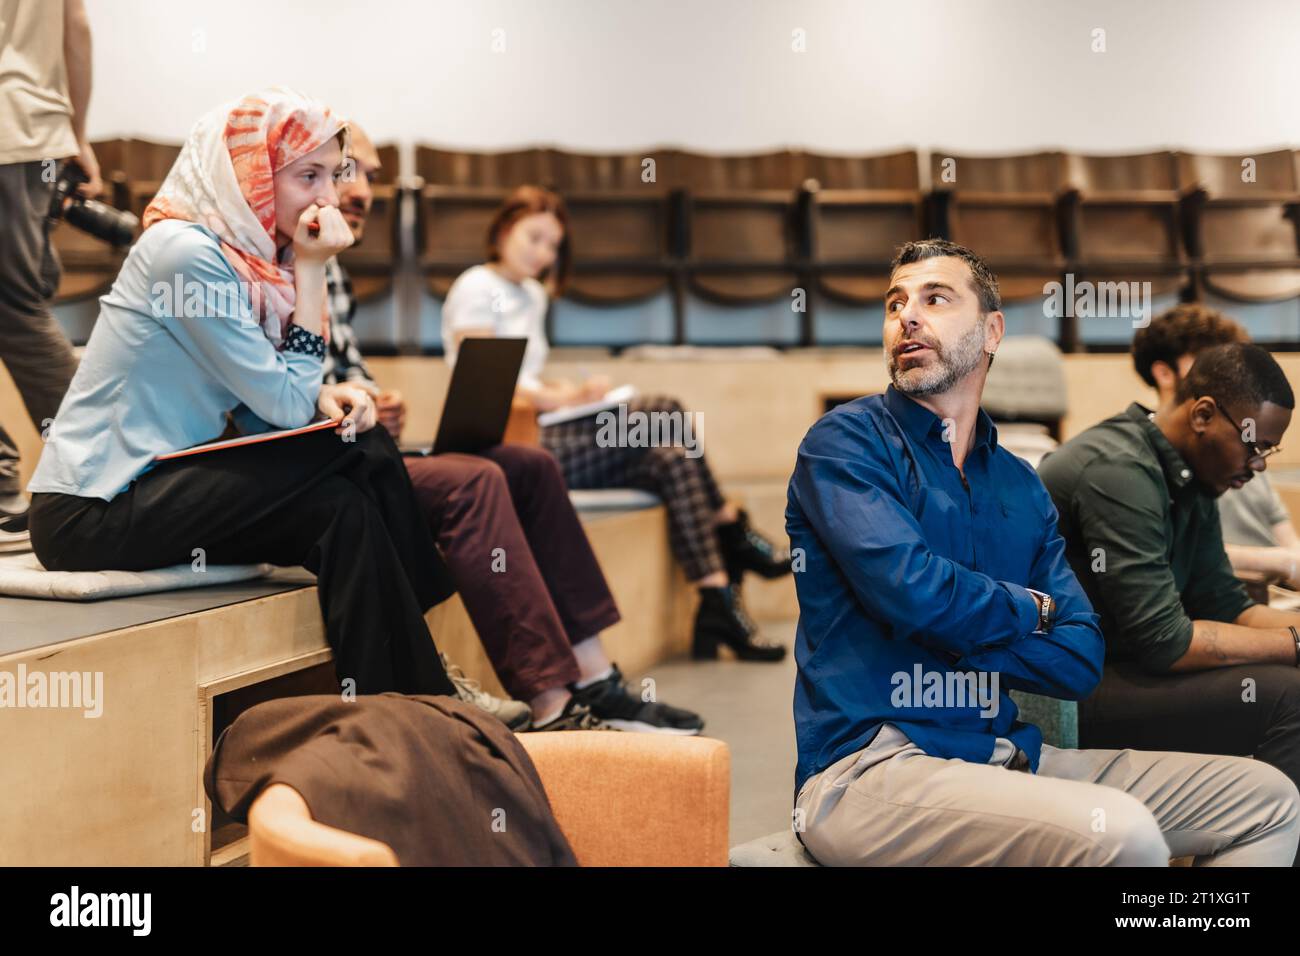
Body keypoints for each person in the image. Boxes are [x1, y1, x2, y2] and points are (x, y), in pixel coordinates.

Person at [788, 238, 1298, 866]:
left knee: (1269, 801)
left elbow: (1081, 654)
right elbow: (913, 591)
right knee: (1117, 830)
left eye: (935, 298)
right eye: (896, 303)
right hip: (872, 766)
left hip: (1005, 752)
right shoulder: (844, 443)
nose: (907, 316)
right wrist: (1031, 608)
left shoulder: (1018, 483)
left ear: (992, 331)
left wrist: (955, 619)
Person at [26, 88, 459, 699]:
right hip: (92, 509)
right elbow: (282, 407)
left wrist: (323, 393)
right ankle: (431, 679)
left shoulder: (250, 257)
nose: (328, 199)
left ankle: (403, 705)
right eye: (308, 177)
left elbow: (270, 406)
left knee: (343, 510)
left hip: (163, 480)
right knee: (365, 449)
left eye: (332, 176)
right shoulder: (184, 254)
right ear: (250, 176)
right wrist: (313, 271)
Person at [318, 126, 704, 735]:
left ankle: (595, 676)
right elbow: (287, 386)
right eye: (345, 172)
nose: (362, 189)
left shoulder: (331, 269)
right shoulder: (296, 262)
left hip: (373, 444)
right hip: (330, 460)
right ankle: (551, 702)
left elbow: (346, 369)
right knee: (479, 478)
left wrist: (373, 396)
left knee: (539, 465)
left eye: (369, 175)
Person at [440, 185, 789, 662]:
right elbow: (482, 381)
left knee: (670, 456)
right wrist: (566, 396)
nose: (543, 253)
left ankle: (716, 601)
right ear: (503, 230)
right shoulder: (477, 287)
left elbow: (527, 375)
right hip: (510, 437)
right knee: (663, 408)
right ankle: (729, 527)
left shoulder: (532, 295)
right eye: (534, 237)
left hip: (548, 423)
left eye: (552, 245)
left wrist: (571, 393)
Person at [1039, 341, 1300, 855]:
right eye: (1254, 445)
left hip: (1123, 667)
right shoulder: (1118, 470)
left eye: (1268, 450)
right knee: (1289, 697)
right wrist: (1293, 642)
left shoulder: (1190, 475)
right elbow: (1166, 642)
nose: (1259, 465)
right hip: (1062, 693)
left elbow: (1228, 607)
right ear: (1203, 413)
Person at [0, 0, 99, 546]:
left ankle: (89, 470)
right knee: (20, 300)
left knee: (14, 307)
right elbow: (75, 26)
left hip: (10, 131)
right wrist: (76, 134)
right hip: (34, 128)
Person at [1132, 304, 1300, 587]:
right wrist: (1284, 563)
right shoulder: (1145, 461)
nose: (1235, 373)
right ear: (1164, 373)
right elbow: (1166, 557)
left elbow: (1288, 541)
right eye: (1213, 359)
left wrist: (1291, 564)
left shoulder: (1247, 447)